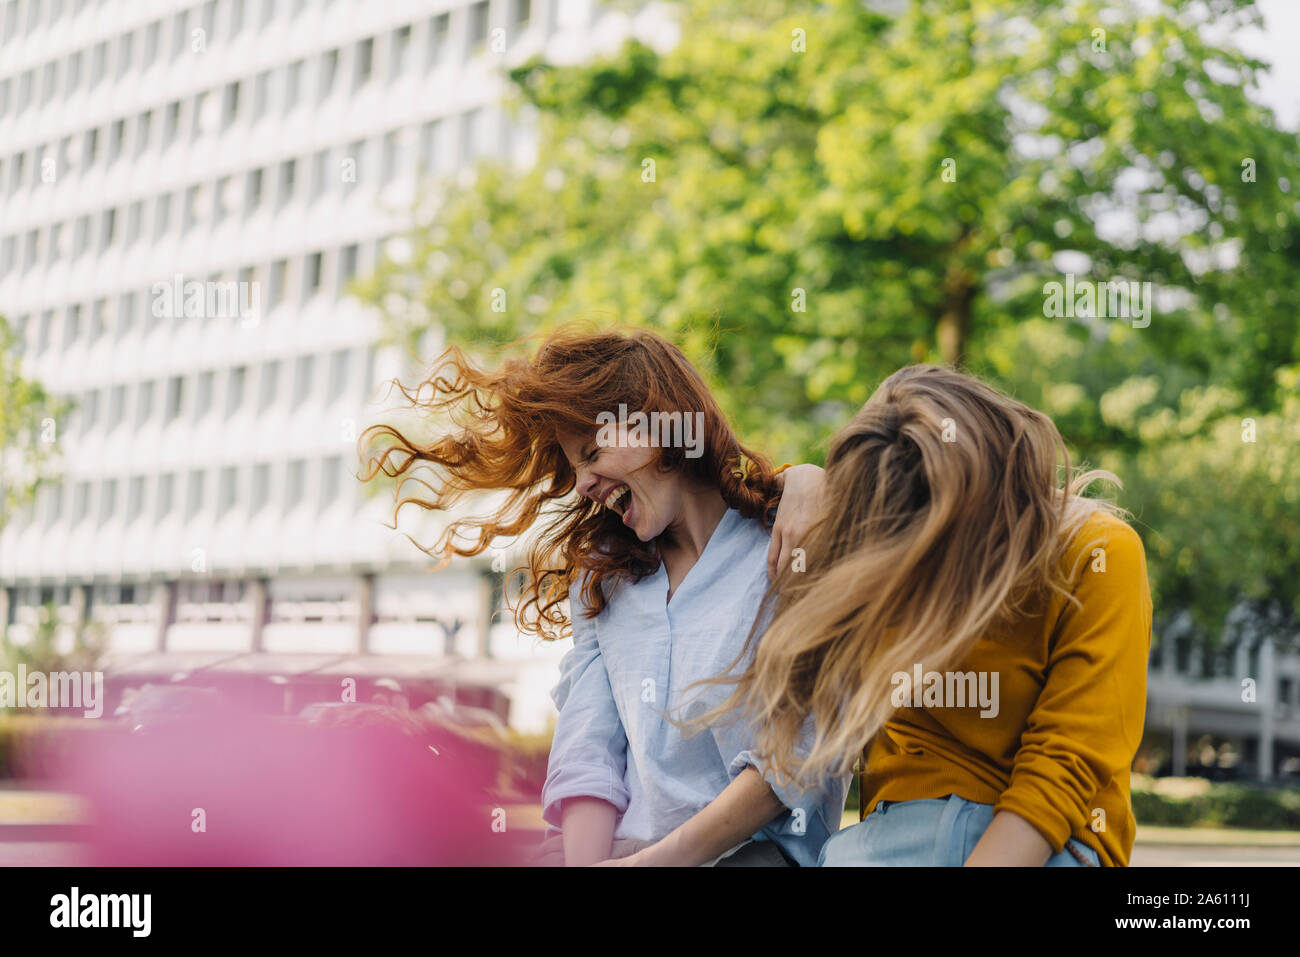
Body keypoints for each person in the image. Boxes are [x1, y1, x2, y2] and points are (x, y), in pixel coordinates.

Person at [359, 326, 847, 866]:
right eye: (575, 469)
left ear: (659, 424)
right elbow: (588, 749)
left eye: (592, 453)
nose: (585, 483)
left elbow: (797, 751)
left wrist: (650, 864)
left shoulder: (790, 538)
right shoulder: (603, 583)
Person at [694, 364, 1152, 866]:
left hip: (1047, 844)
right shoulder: (882, 540)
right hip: (891, 839)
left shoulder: (1097, 551)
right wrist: (803, 479)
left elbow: (1066, 763)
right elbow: (736, 506)